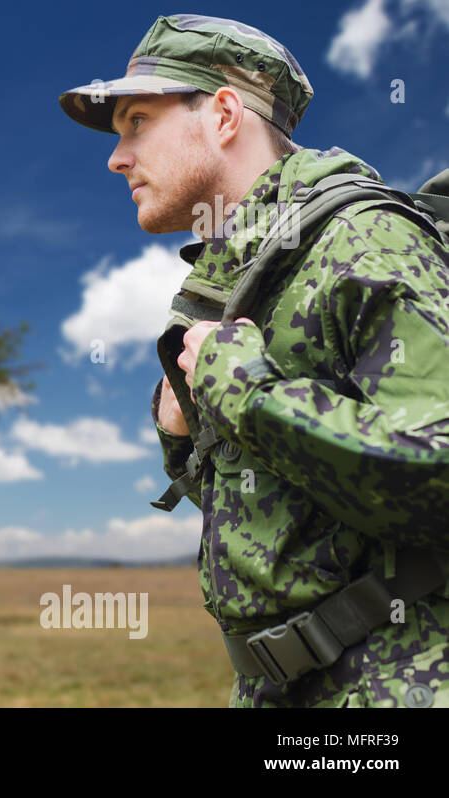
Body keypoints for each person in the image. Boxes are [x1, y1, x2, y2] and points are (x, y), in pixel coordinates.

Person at [58, 14, 449, 707]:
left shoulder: (365, 240)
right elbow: (302, 513)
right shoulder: (244, 276)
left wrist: (239, 389)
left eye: (137, 122)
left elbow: (438, 469)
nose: (117, 157)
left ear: (225, 114)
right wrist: (184, 443)